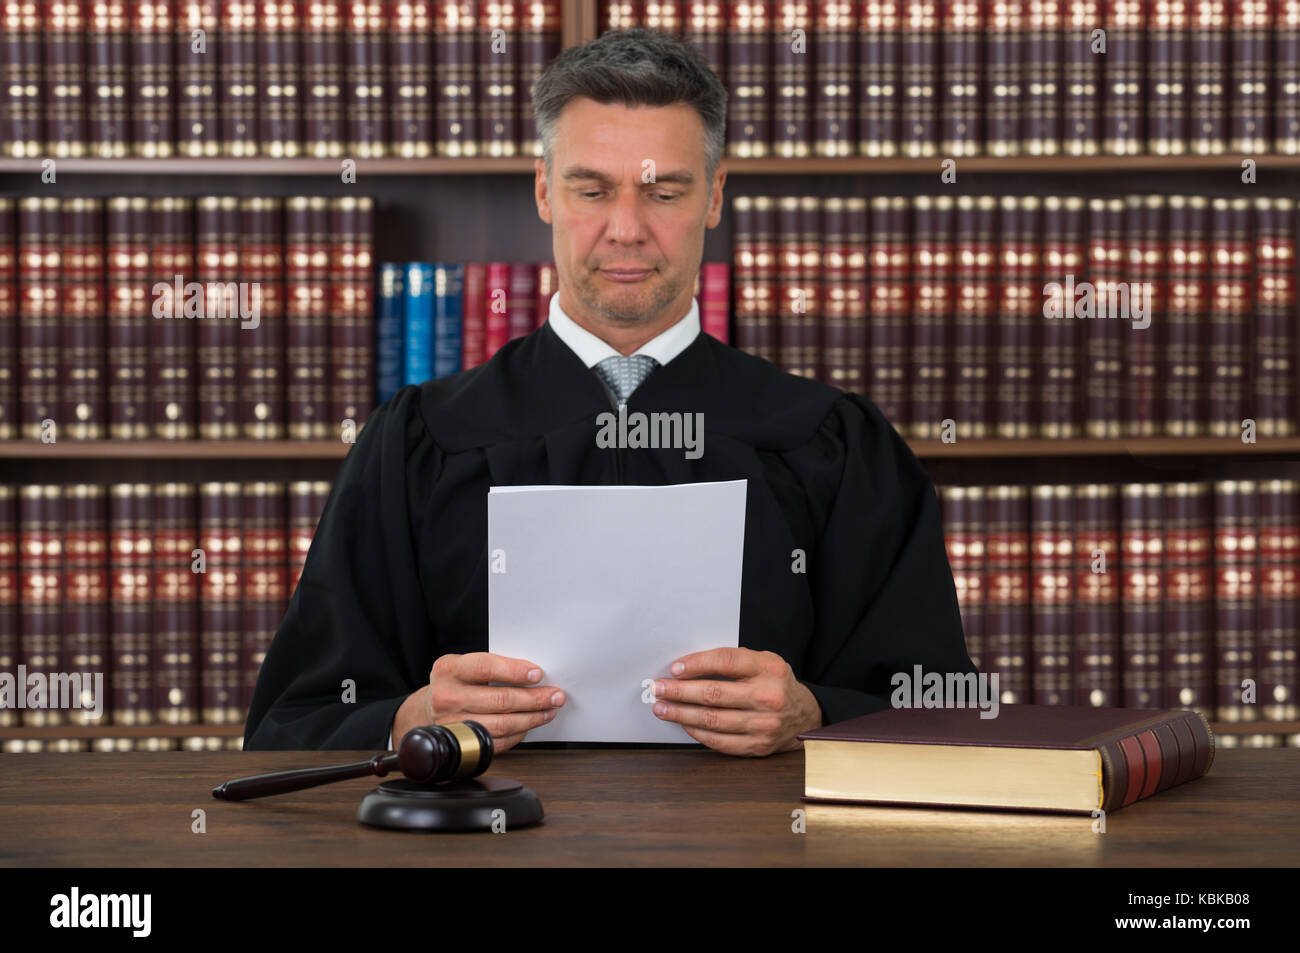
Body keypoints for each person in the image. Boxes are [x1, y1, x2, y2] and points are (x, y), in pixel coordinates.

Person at [244, 28, 973, 754]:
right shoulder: (420, 441)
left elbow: (939, 713)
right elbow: (290, 724)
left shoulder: (832, 442)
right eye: (591, 189)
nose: (626, 229)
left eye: (664, 191)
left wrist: (813, 714)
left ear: (714, 197)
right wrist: (406, 720)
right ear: (543, 190)